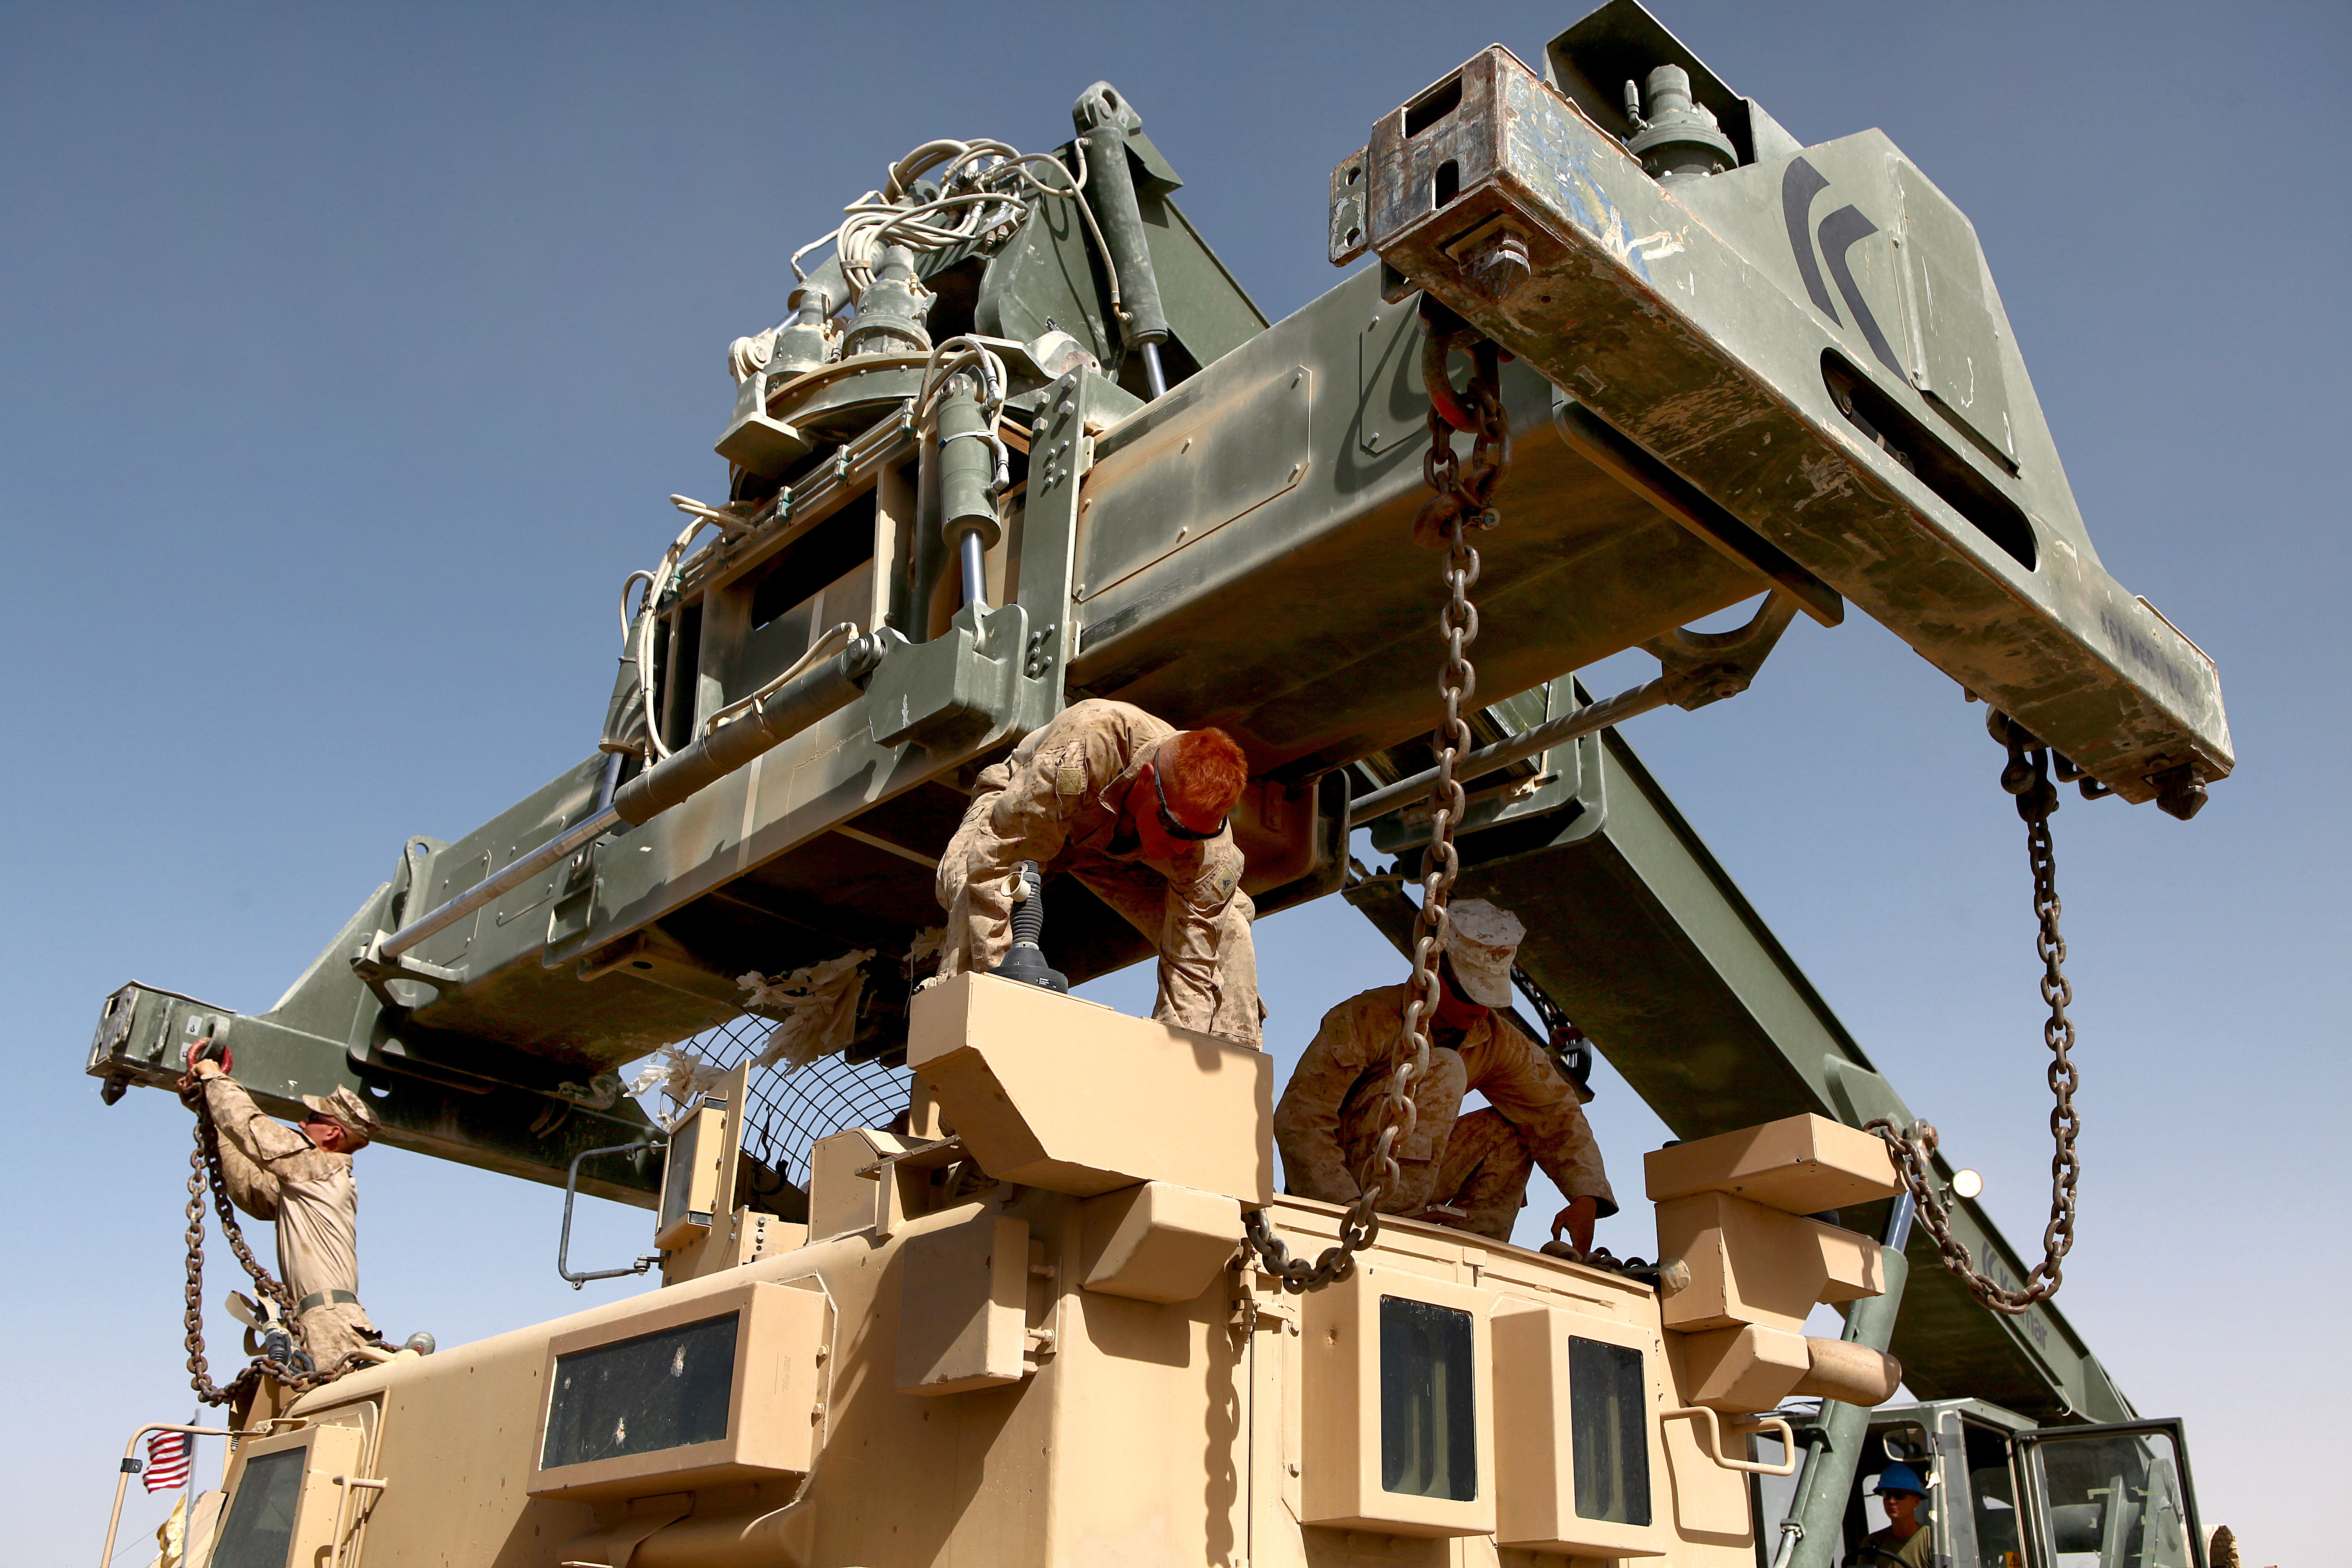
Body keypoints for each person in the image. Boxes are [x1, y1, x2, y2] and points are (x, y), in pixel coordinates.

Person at [1273, 900, 1614, 1245]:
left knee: (1513, 1130)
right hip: (1343, 1186)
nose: (1480, 1011)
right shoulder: (1365, 1019)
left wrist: (1585, 1197)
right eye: (1468, 995)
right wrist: (1344, 1204)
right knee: (1444, 1066)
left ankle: (1474, 1249)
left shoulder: (1495, 1041)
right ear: (1434, 972)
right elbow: (1301, 1119)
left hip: (1413, 1181)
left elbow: (1554, 1111)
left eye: (1489, 1000)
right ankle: (1392, 1225)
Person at [935, 698, 1261, 1044]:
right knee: (964, 880)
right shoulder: (1084, 749)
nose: (1182, 846)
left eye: (1198, 836)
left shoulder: (1209, 850)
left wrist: (1178, 1051)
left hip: (1117, 850)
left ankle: (1224, 1068)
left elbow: (1191, 970)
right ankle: (959, 1038)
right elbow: (1000, 862)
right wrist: (1000, 987)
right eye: (1176, 828)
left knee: (1231, 931)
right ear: (1149, 780)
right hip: (1032, 813)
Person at [182, 1047, 384, 1371]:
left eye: (314, 1119)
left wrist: (214, 1078)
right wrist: (212, 1113)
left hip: (330, 1322)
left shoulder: (319, 1166)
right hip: (317, 1319)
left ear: (333, 1133)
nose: (302, 1123)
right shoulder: (310, 1181)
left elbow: (254, 1131)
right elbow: (251, 1190)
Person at [1854, 1464, 1934, 1568]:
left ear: (1916, 1501)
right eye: (1887, 1495)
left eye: (1899, 1495)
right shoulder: (1872, 1544)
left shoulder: (1933, 1540)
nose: (1892, 1501)